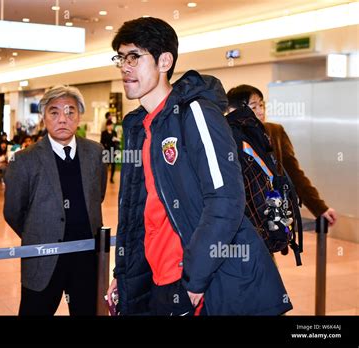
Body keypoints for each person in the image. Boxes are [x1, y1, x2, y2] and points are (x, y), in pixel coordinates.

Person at [106, 17, 292, 316]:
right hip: (156, 278)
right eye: (120, 58)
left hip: (194, 281)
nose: (124, 67)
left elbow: (225, 200)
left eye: (134, 57)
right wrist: (124, 274)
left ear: (164, 61)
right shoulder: (139, 126)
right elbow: (138, 212)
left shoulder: (196, 113)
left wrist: (195, 281)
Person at [4, 85, 107, 316]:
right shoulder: (24, 160)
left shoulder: (95, 153)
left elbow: (97, 196)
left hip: (85, 258)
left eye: (71, 112)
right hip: (43, 258)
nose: (63, 119)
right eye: (54, 112)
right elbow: (13, 211)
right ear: (44, 117)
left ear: (79, 116)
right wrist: (38, 233)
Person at [227, 84, 337, 226]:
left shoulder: (274, 132)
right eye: (254, 107)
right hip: (242, 214)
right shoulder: (228, 136)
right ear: (233, 110)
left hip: (273, 211)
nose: (261, 111)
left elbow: (294, 173)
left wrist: (319, 207)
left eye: (262, 105)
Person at [100, 119, 120, 183]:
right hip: (106, 151)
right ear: (107, 126)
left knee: (113, 165)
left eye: (111, 125)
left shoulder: (114, 132)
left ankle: (111, 178)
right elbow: (102, 142)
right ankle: (104, 178)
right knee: (106, 166)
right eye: (109, 125)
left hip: (113, 151)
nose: (110, 126)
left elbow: (117, 142)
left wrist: (116, 140)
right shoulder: (104, 133)